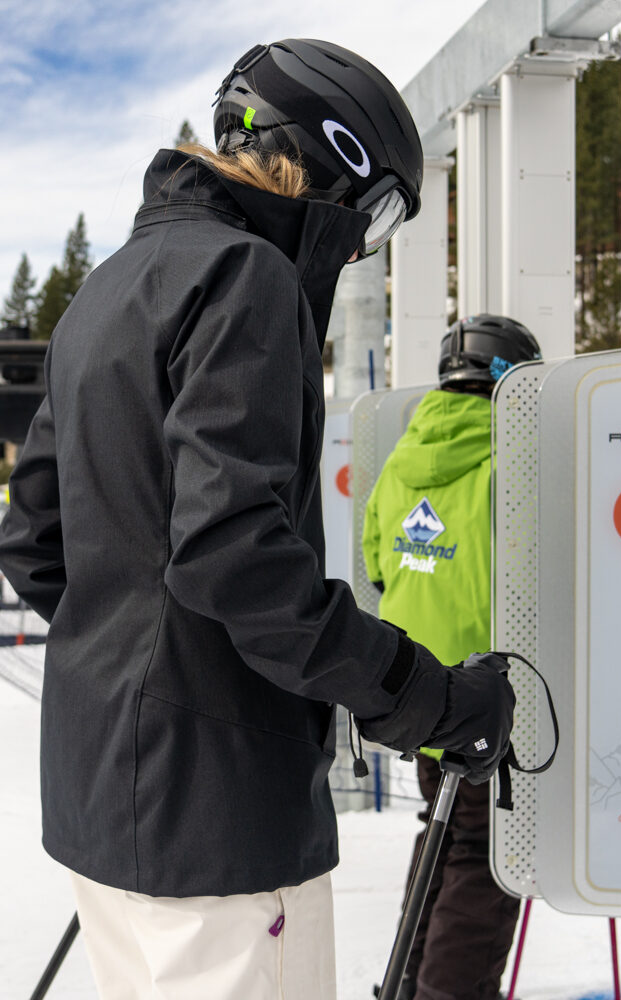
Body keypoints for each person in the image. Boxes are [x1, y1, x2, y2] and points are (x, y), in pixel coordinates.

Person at [0, 40, 515, 1000]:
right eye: (378, 210)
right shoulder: (249, 278)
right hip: (221, 822)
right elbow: (239, 558)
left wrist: (138, 665)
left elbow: (35, 536)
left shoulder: (107, 289)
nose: (364, 241)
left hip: (103, 805)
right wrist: (425, 698)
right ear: (330, 163)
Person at [363, 314, 542, 1000]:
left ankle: (409, 984)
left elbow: (381, 565)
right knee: (482, 851)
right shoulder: (512, 464)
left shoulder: (402, 461)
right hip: (488, 700)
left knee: (440, 835)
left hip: (418, 693)